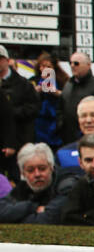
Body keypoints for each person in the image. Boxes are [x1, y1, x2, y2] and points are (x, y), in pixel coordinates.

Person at [0, 142, 70, 223]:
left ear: (51, 168)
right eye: (30, 170)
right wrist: (32, 207)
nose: (37, 174)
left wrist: (16, 217)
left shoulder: (66, 184)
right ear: (22, 173)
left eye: (42, 168)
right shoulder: (24, 187)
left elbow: (48, 219)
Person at [0, 44, 40, 172]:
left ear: (7, 60)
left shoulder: (23, 84)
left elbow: (34, 107)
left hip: (19, 141)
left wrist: (11, 112)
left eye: (0, 59)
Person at [61, 52, 94, 145]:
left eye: (76, 63)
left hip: (93, 141)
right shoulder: (68, 85)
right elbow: (61, 108)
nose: (72, 66)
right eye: (70, 63)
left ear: (88, 65)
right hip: (68, 139)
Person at [32, 51, 68, 148]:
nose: (44, 69)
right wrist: (35, 91)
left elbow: (69, 97)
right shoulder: (33, 80)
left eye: (47, 67)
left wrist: (56, 92)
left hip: (56, 123)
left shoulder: (63, 81)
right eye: (42, 66)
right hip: (39, 123)